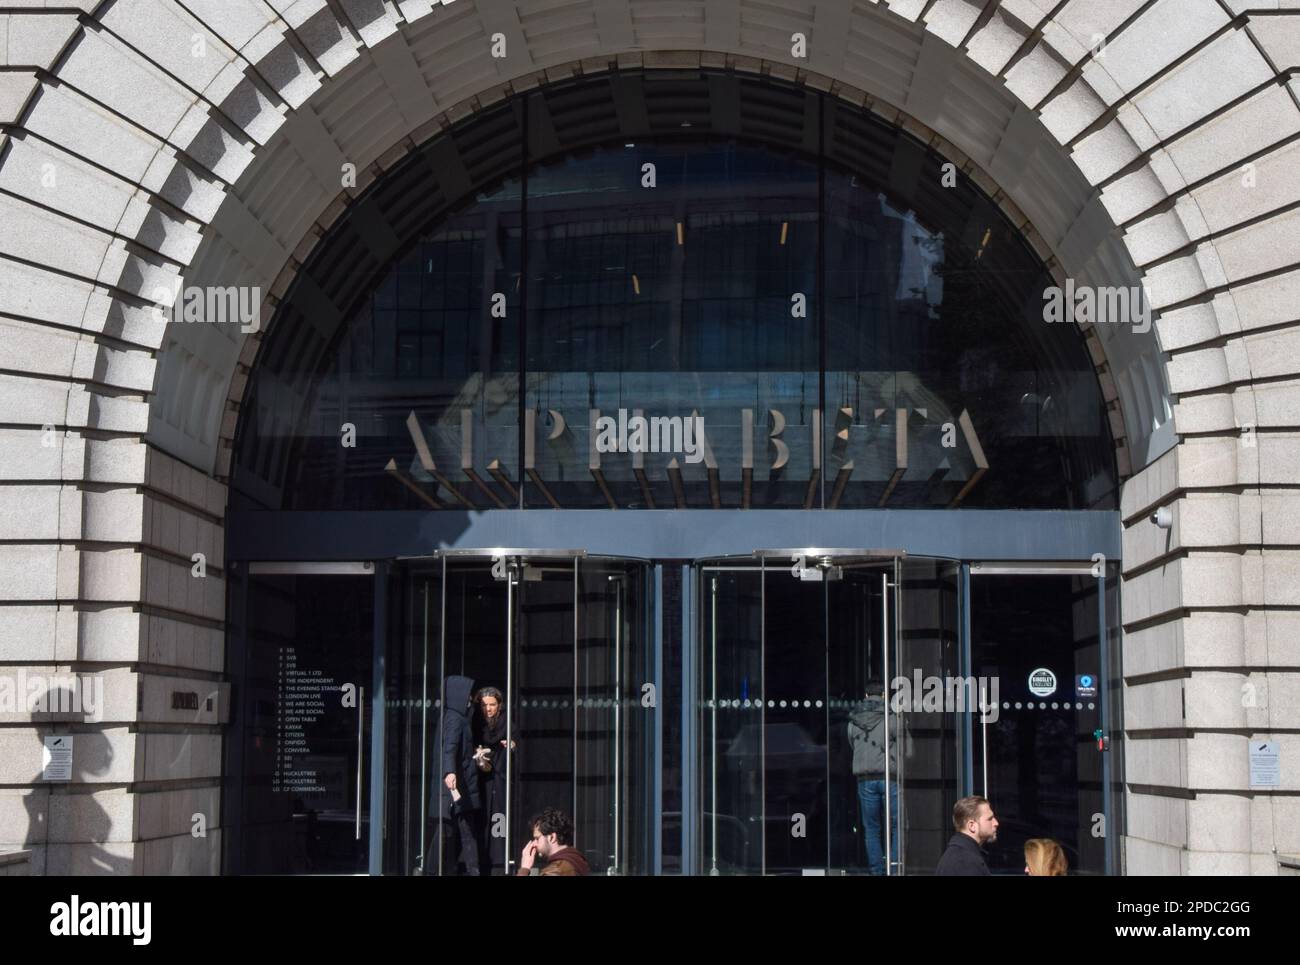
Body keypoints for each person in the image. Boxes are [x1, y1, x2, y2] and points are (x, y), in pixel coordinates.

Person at [847, 681, 903, 875]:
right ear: (884, 695)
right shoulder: (892, 718)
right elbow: (906, 747)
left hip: (865, 778)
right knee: (897, 825)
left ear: (865, 695)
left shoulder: (854, 721)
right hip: (890, 777)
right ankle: (894, 869)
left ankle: (877, 871)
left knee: (871, 828)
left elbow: (853, 745)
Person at [435, 674, 482, 875]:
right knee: (463, 832)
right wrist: (450, 772)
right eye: (468, 695)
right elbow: (450, 748)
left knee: (453, 832)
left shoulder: (454, 717)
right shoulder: (455, 718)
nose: (470, 699)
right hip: (459, 787)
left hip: (459, 786)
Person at [473, 686, 511, 873]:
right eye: (484, 705)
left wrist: (510, 746)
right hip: (480, 783)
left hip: (500, 782)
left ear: (499, 705)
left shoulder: (506, 723)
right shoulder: (474, 724)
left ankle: (498, 863)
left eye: (492, 705)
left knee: (499, 822)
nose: (488, 709)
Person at [516, 807, 590, 876]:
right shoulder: (577, 862)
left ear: (552, 837)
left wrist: (524, 868)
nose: (534, 844)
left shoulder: (554, 871)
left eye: (537, 839)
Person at [934, 795, 997, 875]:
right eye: (990, 819)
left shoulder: (962, 856)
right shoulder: (964, 861)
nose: (996, 823)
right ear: (972, 826)